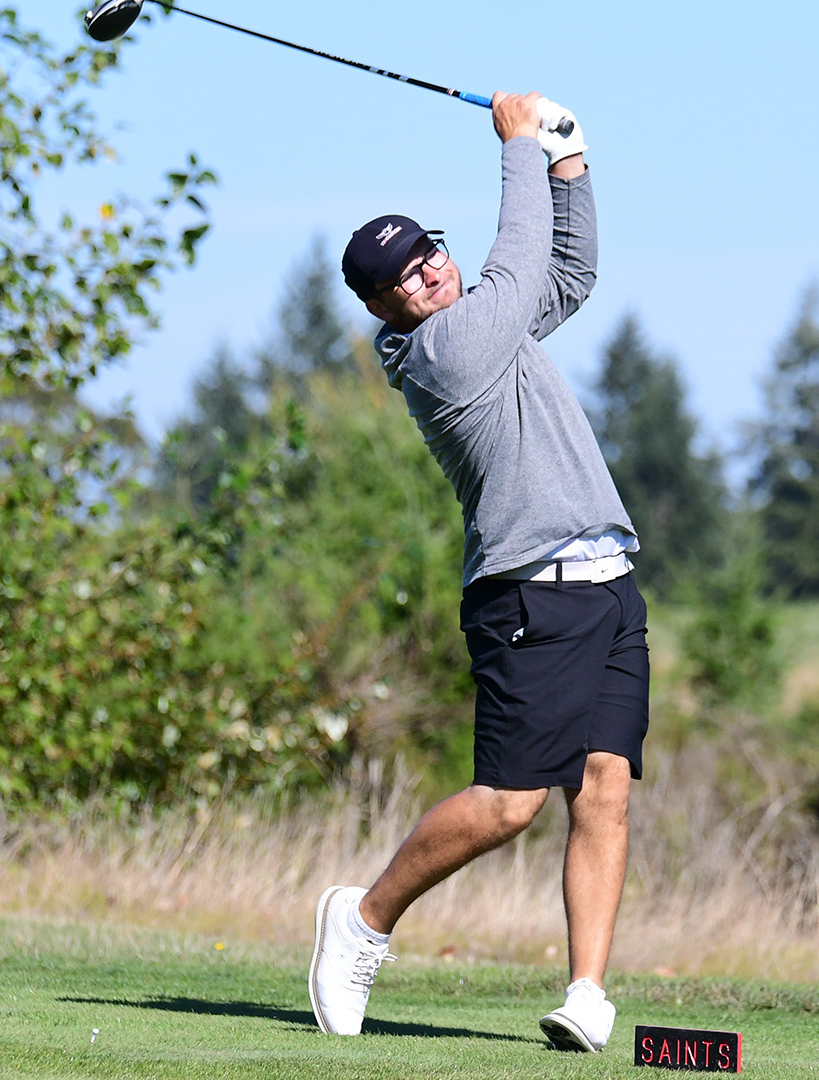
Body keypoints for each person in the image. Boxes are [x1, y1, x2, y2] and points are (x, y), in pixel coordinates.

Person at [307, 91, 648, 1054]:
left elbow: (567, 275)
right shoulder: (444, 349)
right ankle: (364, 918)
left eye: (430, 254)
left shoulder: (488, 322)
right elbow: (520, 258)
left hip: (607, 576)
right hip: (527, 590)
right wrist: (520, 146)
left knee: (607, 784)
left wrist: (572, 164)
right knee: (510, 802)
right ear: (383, 309)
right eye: (406, 279)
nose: (428, 275)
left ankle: (586, 994)